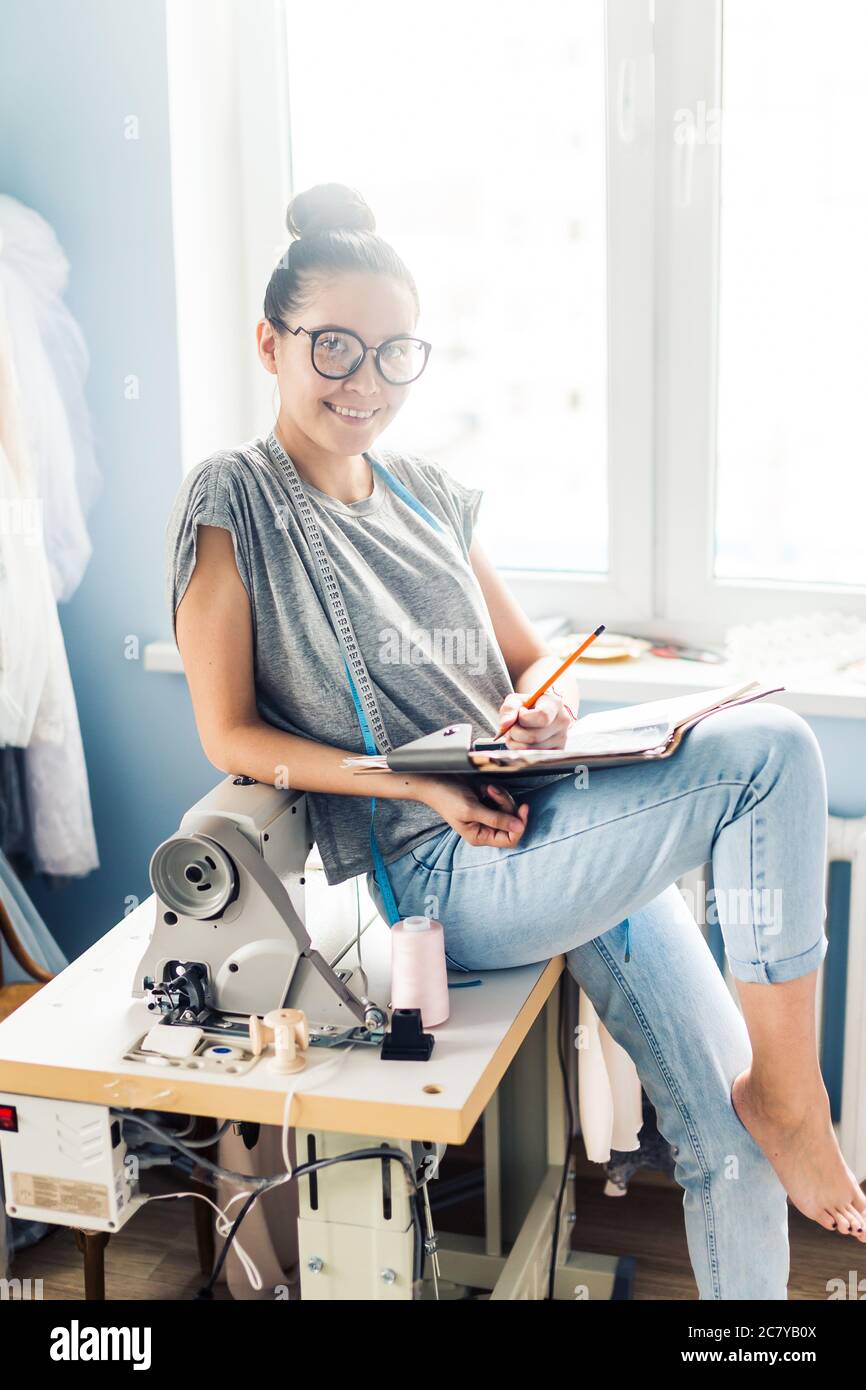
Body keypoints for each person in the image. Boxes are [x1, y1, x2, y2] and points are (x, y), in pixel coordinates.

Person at [167, 181, 866, 1300]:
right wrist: (413, 783)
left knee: (723, 1132)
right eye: (335, 347)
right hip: (446, 868)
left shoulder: (428, 490)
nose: (364, 381)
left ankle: (764, 1176)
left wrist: (539, 704)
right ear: (271, 342)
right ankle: (796, 1096)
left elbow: (526, 655)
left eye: (395, 355)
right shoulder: (236, 496)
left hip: (553, 816)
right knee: (771, 751)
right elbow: (229, 731)